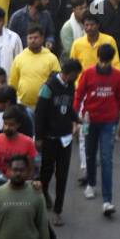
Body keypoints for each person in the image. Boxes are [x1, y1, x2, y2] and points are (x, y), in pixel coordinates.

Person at [74, 42, 120, 215]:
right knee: (89, 153)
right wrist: (75, 120)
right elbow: (78, 96)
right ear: (98, 59)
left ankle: (107, 200)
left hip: (108, 122)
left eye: (107, 62)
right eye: (102, 61)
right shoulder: (87, 74)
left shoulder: (117, 76)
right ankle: (91, 183)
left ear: (111, 61)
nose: (104, 65)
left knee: (106, 158)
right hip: (89, 121)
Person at [34, 58, 81, 224]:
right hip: (49, 138)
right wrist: (38, 137)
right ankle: (44, 193)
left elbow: (68, 108)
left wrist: (77, 119)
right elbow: (39, 113)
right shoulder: (48, 87)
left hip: (65, 138)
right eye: (75, 75)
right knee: (45, 172)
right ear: (69, 73)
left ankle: (58, 210)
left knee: (62, 174)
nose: (76, 78)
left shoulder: (70, 87)